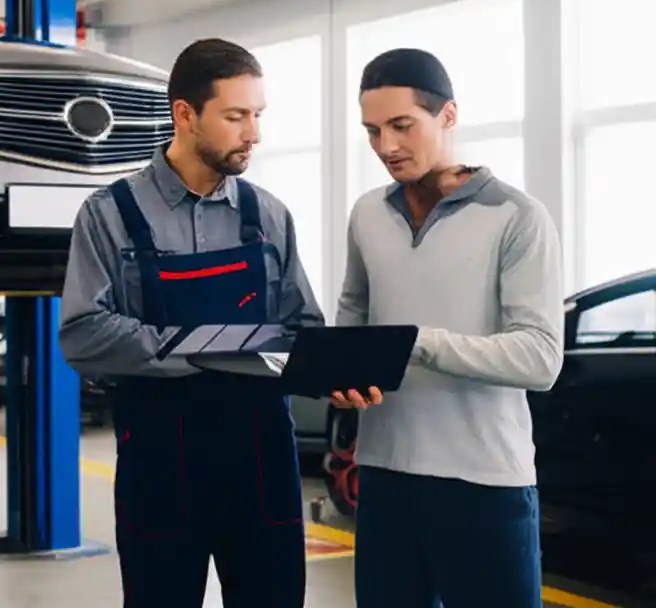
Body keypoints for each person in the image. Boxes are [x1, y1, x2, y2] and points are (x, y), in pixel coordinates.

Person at [58, 37, 336, 607]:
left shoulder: (269, 216)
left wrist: (335, 368)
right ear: (184, 114)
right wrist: (216, 349)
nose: (253, 133)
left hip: (260, 463)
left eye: (257, 115)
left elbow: (303, 326)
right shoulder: (110, 215)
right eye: (235, 116)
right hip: (160, 465)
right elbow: (84, 333)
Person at [335, 47, 564, 608]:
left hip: (484, 483)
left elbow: (540, 358)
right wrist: (341, 371)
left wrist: (419, 343)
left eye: (401, 126)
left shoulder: (517, 217)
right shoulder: (367, 213)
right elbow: (353, 316)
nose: (385, 146)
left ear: (449, 116)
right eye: (372, 131)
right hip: (385, 476)